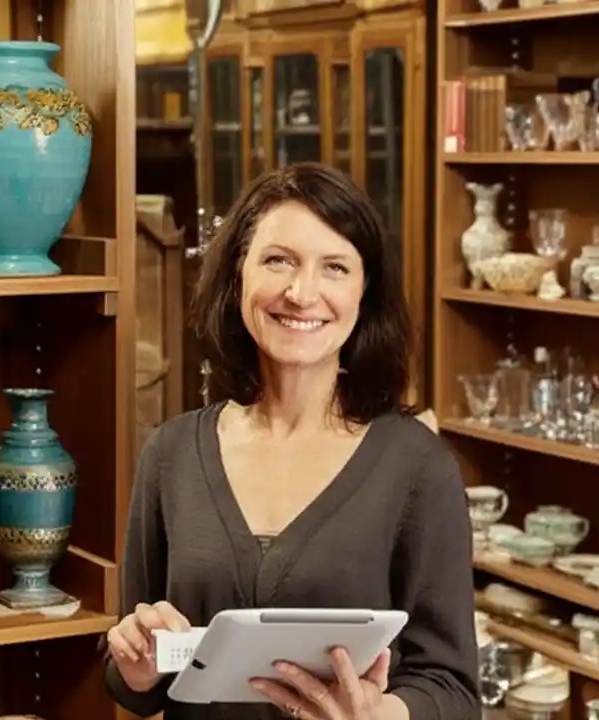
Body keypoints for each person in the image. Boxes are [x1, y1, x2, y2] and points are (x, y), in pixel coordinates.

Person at [103, 162, 480, 720]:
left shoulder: (417, 467)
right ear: (238, 276)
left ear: (363, 292)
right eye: (279, 260)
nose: (303, 293)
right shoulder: (172, 453)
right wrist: (135, 664)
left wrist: (382, 715)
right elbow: (136, 677)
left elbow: (452, 690)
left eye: (335, 267)